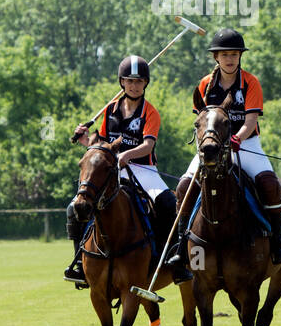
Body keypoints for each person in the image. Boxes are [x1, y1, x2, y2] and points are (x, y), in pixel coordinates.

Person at [163, 28, 281, 271]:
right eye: (224, 55)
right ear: (216, 58)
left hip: (245, 143)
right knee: (183, 187)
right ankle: (180, 247)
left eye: (234, 54)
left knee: (269, 183)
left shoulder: (250, 82)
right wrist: (208, 144)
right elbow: (201, 121)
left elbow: (251, 120)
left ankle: (277, 243)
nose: (230, 59)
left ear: (240, 56)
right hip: (211, 146)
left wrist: (238, 138)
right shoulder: (204, 85)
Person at [66, 55, 191, 285]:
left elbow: (148, 145)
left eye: (139, 81)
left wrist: (125, 155)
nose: (134, 86)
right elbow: (101, 142)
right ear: (121, 82)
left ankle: (176, 262)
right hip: (112, 169)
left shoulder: (149, 112)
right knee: (75, 207)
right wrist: (86, 139)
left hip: (144, 170)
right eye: (129, 81)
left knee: (167, 205)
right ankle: (79, 264)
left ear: (145, 83)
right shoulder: (110, 110)